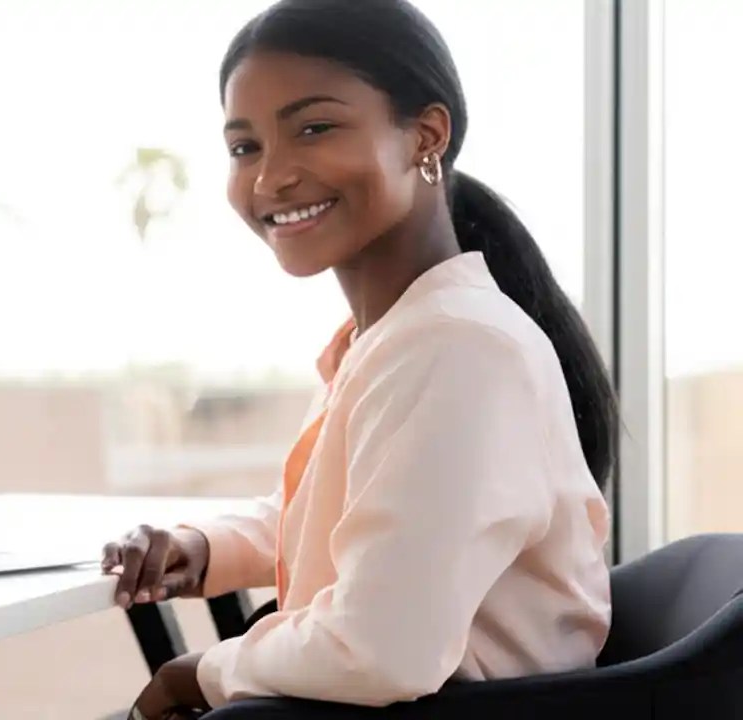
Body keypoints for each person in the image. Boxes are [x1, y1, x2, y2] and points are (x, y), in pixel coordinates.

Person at [101, 0, 618, 717]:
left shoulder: (456, 349)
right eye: (245, 147)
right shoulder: (398, 337)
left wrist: (196, 674)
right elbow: (356, 519)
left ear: (425, 136)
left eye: (314, 128)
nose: (270, 178)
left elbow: (381, 647)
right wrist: (205, 547)